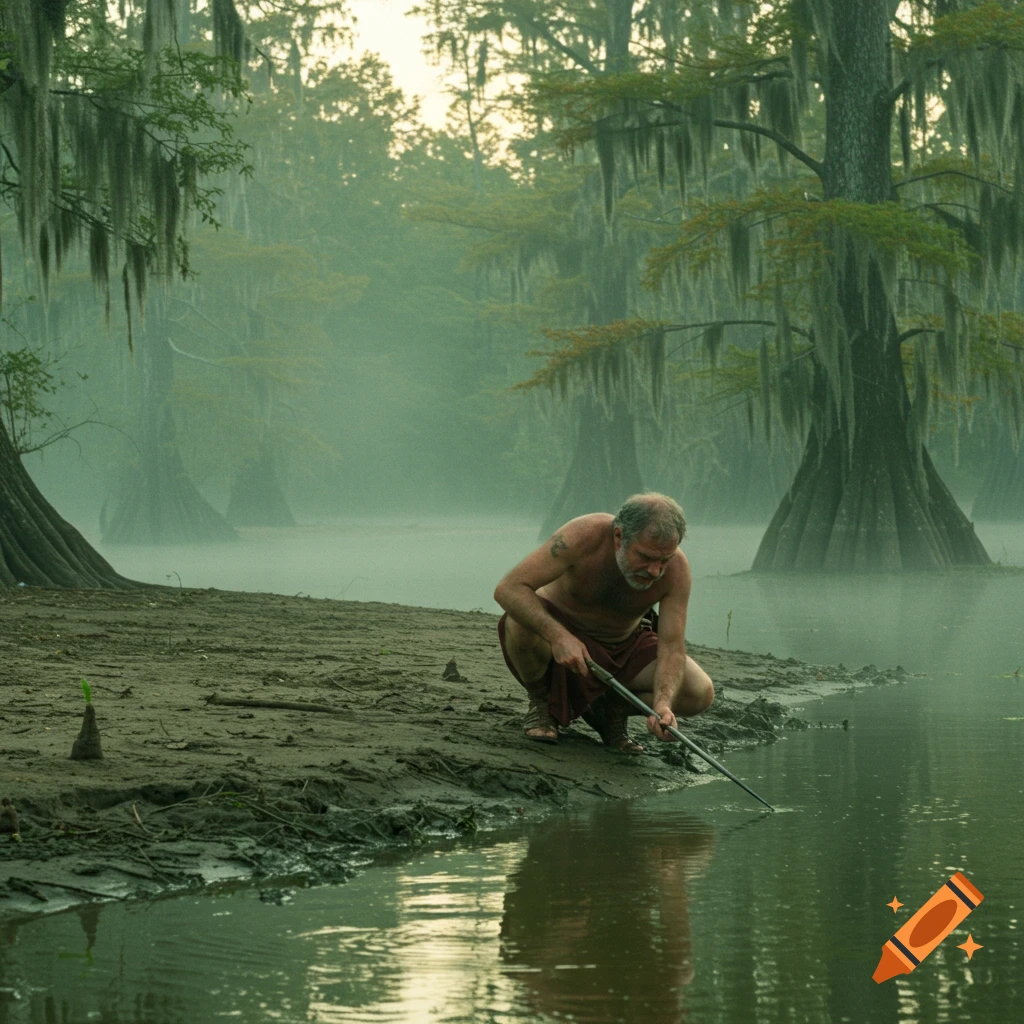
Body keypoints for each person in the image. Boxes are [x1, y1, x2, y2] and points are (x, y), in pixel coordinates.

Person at [494, 492, 713, 753]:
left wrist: (663, 704)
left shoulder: (677, 571)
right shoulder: (583, 535)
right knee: (520, 623)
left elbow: (671, 648)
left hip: (622, 647)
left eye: (663, 560)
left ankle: (610, 709)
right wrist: (558, 636)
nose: (654, 571)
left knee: (698, 692)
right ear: (619, 536)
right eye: (645, 556)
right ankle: (542, 704)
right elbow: (509, 588)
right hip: (555, 637)